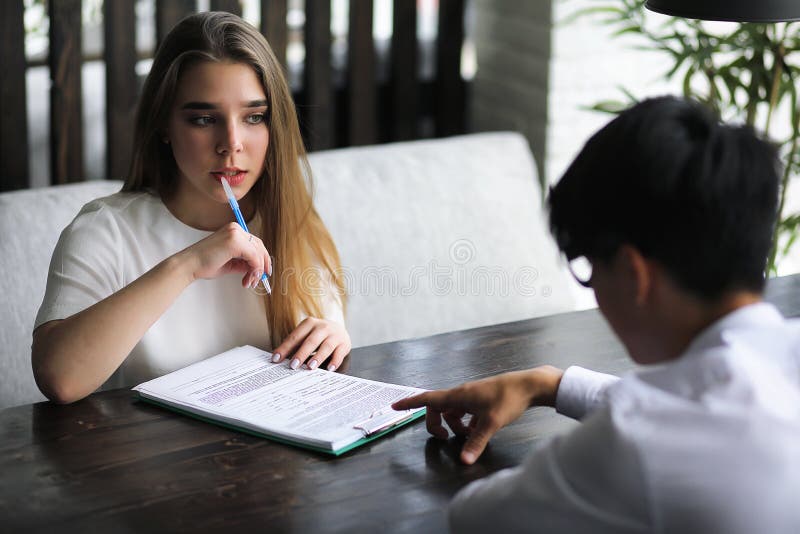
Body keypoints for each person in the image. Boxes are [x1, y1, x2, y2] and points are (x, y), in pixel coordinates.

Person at [393, 96, 800, 533]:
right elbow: (702, 414)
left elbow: (476, 516)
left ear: (632, 272)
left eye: (588, 269)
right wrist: (550, 385)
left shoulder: (635, 445)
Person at [32, 12, 350, 404]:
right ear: (164, 124)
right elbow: (59, 379)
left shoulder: (290, 219)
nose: (231, 142)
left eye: (254, 117)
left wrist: (333, 336)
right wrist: (188, 264)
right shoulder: (105, 230)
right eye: (203, 118)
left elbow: (324, 342)